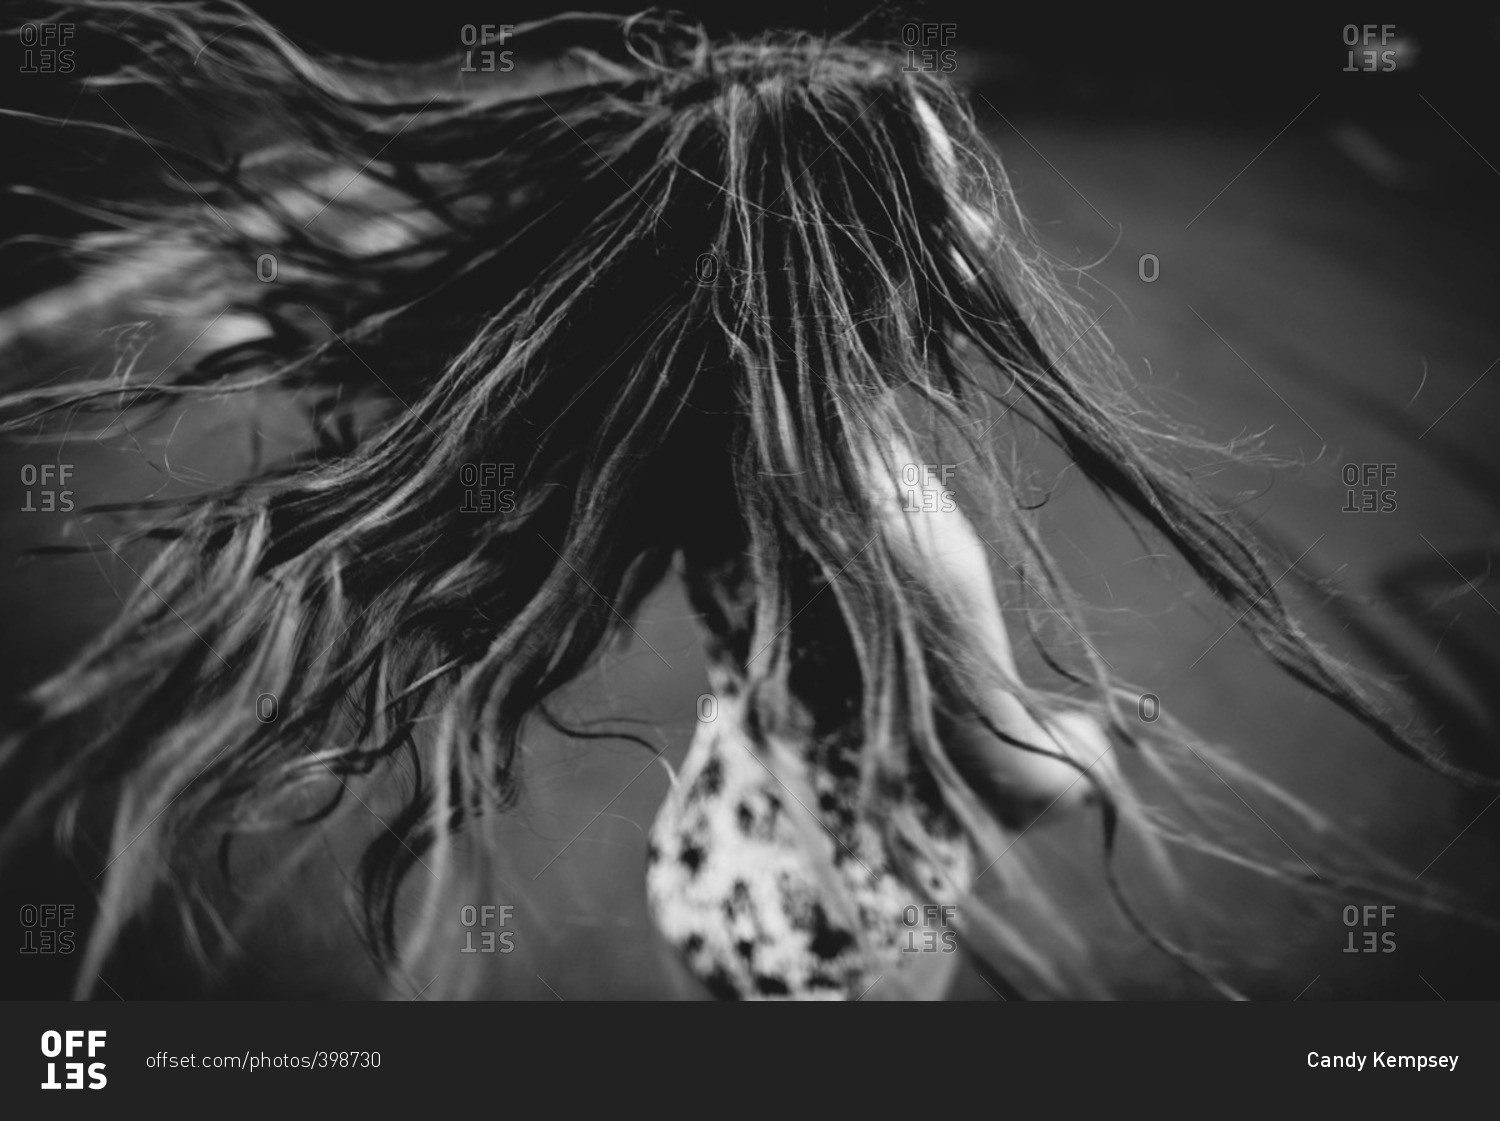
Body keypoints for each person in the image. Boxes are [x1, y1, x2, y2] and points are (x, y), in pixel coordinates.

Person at [0, 3, 1491, 1000]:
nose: (979, 212)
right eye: (944, 189)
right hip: (842, 925)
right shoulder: (900, 524)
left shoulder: (716, 428)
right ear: (867, 260)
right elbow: (1020, 780)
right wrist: (1105, 741)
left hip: (717, 852)